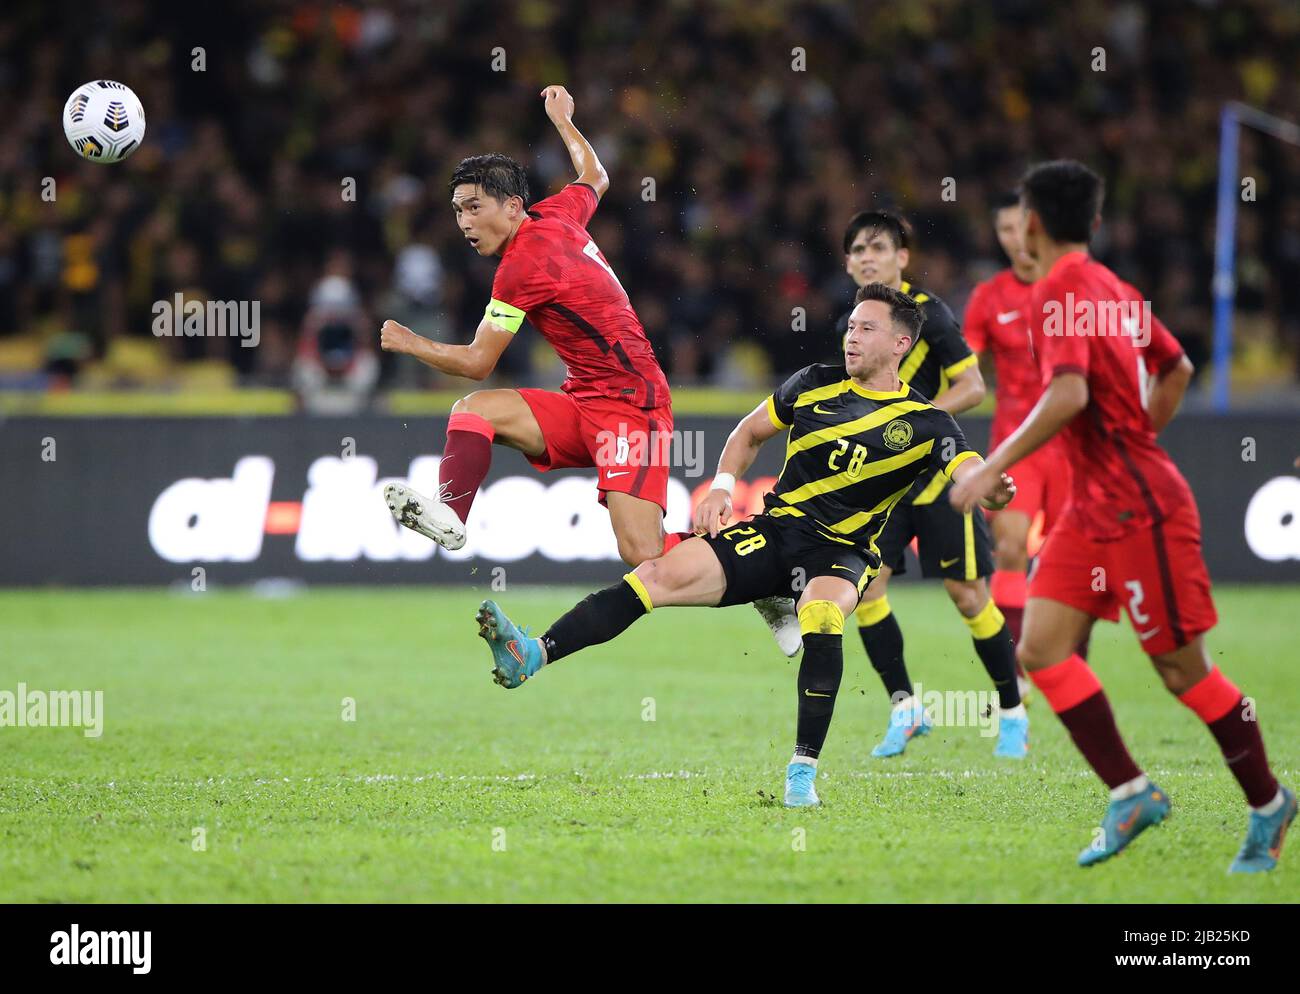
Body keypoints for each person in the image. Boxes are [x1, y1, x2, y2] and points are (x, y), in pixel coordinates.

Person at [475, 285, 1014, 807]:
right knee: (654, 575)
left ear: (901, 344)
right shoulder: (813, 383)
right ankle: (532, 653)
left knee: (822, 615)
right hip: (777, 532)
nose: (851, 337)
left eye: (867, 329)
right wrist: (721, 489)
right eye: (850, 326)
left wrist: (992, 485)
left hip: (840, 554)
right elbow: (749, 434)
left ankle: (801, 774)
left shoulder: (926, 421)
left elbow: (969, 468)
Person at [951, 159, 1295, 872]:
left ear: (1035, 224)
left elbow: (1071, 394)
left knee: (1182, 673)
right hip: (1092, 508)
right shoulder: (1114, 286)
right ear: (1096, 223)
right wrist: (1132, 435)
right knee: (1040, 650)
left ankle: (1269, 802)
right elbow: (1177, 368)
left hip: (1143, 508)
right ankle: (1132, 792)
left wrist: (994, 463)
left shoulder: (1059, 289)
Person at [378, 85, 797, 654]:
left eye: (474, 207)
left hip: (634, 406)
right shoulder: (558, 213)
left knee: (644, 556)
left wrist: (409, 342)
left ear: (512, 206)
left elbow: (478, 362)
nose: (464, 222)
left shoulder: (522, 268)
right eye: (456, 210)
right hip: (583, 400)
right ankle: (450, 514)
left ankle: (765, 581)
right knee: (473, 416)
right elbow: (595, 175)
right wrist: (564, 123)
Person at [836, 211, 1025, 758]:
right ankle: (905, 708)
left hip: (941, 476)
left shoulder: (929, 316)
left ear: (902, 258)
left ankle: (1012, 712)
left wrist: (912, 428)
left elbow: (972, 386)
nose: (866, 256)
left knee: (968, 596)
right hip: (881, 484)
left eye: (878, 247)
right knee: (866, 590)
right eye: (856, 250)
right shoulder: (850, 327)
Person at [963, 192, 1074, 694]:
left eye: (1022, 228)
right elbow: (966, 367)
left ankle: (1068, 658)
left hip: (1074, 444)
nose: (1015, 240)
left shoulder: (1076, 288)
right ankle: (1016, 673)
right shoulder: (989, 297)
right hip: (1017, 443)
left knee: (1068, 558)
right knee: (1010, 546)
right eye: (1004, 231)